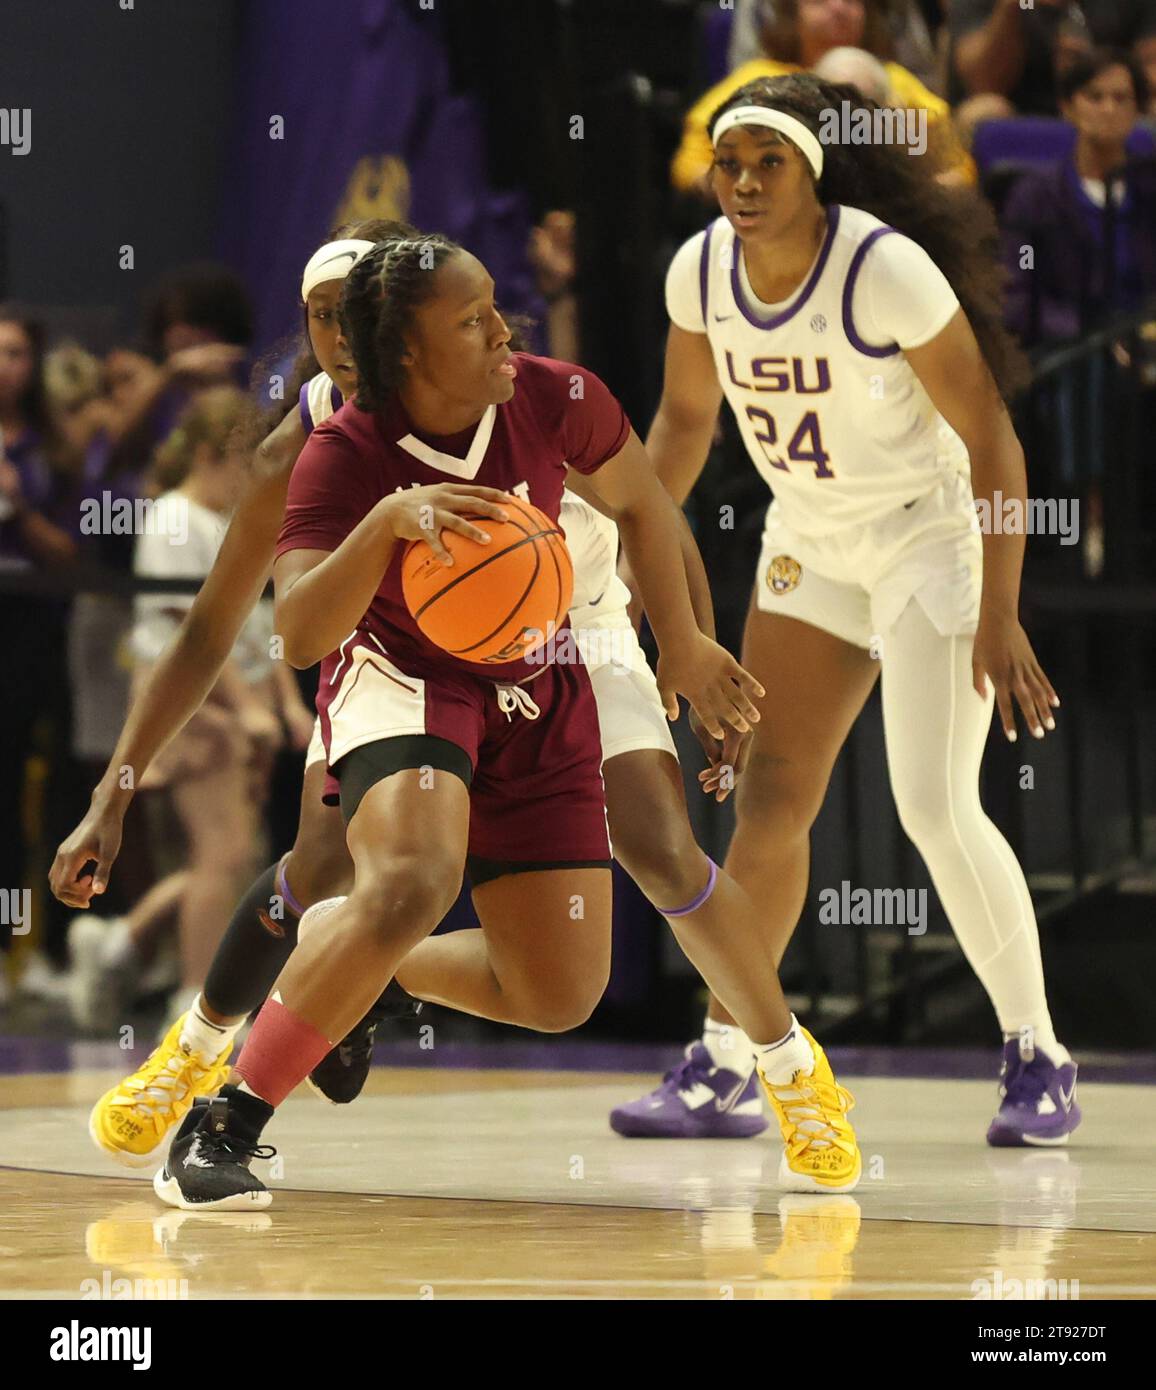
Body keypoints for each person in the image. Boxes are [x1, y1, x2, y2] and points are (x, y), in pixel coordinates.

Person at [53, 229, 860, 1199]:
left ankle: (374, 974)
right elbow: (237, 630)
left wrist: (684, 644)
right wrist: (117, 787)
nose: (339, 330)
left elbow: (651, 512)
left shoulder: (536, 385)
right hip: (403, 655)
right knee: (368, 868)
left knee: (599, 928)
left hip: (569, 628)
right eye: (321, 313)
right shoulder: (319, 443)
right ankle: (210, 1079)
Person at [611, 73, 1081, 1149]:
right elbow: (682, 430)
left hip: (928, 535)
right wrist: (611, 542)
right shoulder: (700, 273)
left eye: (766, 162)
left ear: (812, 170)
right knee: (768, 803)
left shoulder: (882, 269)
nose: (740, 182)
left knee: (931, 804)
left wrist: (999, 611)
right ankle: (729, 1056)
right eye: (727, 162)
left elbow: (992, 438)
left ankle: (1037, 1052)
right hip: (813, 538)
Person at [672, 0, 969, 194]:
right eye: (820, 1)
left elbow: (958, 169)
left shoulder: (897, 82)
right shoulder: (758, 79)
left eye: (852, 1)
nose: (839, 8)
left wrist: (913, 195)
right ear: (792, 14)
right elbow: (690, 163)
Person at [1002, 50, 1156, 348]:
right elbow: (1018, 296)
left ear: (1139, 111)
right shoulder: (1034, 198)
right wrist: (1095, 338)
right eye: (1094, 97)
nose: (1109, 109)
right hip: (1071, 359)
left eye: (1121, 98)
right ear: (1067, 107)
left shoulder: (1150, 189)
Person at [949, 0, 1156, 118]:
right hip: (1021, 113)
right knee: (982, 111)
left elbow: (1151, 72)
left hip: (1110, 105)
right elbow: (982, 84)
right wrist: (1015, 6)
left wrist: (1093, 72)